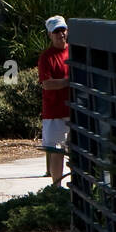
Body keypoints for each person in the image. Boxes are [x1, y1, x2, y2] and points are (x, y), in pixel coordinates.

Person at [37, 15, 71, 186]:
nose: (60, 34)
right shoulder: (46, 57)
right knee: (56, 152)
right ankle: (56, 189)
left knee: (79, 152)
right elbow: (47, 84)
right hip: (54, 112)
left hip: (75, 111)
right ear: (50, 35)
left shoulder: (75, 51)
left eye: (62, 30)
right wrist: (69, 82)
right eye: (56, 31)